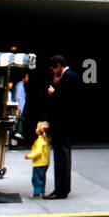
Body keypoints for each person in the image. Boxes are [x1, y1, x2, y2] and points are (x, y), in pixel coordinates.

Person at [45, 55, 81, 199]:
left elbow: (63, 101)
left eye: (54, 69)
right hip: (67, 122)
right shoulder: (72, 76)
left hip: (62, 123)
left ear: (59, 65)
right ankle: (63, 187)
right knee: (64, 155)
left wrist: (53, 92)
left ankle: (61, 189)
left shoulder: (68, 77)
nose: (53, 72)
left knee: (61, 157)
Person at [24, 121, 51, 197]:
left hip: (39, 163)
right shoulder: (47, 140)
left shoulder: (40, 141)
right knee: (42, 177)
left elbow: (38, 153)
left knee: (36, 178)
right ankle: (42, 191)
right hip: (45, 162)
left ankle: (37, 193)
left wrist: (29, 156)